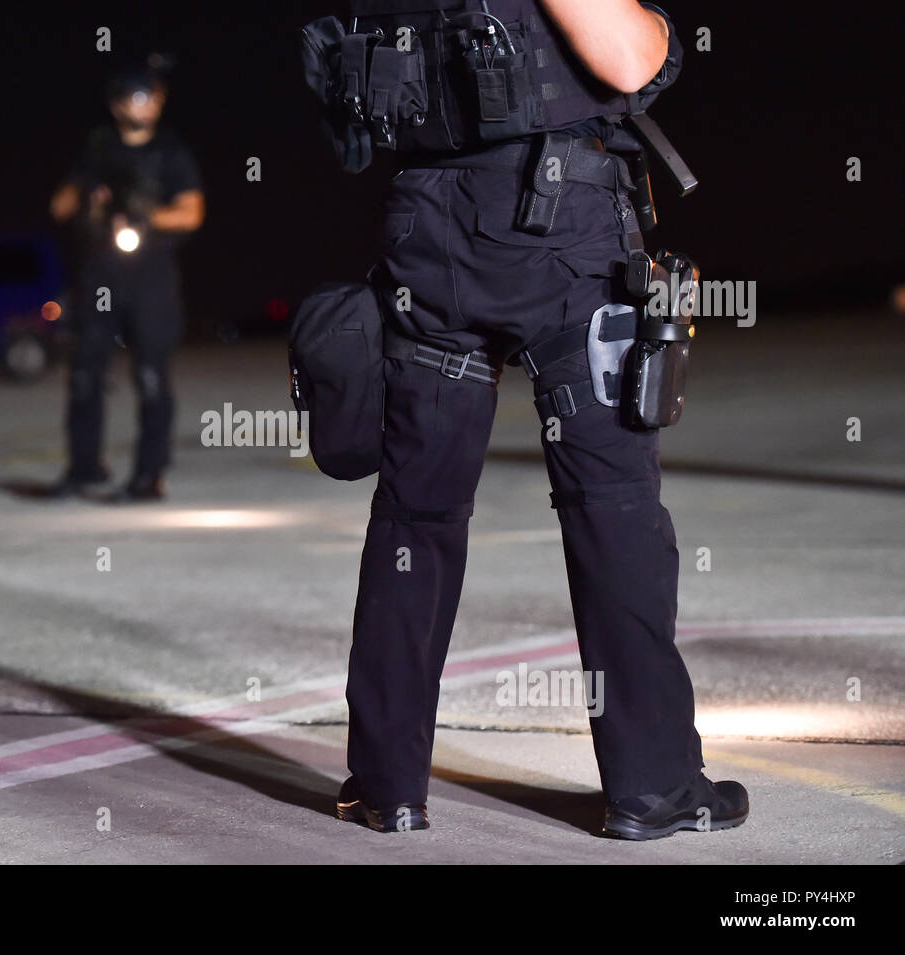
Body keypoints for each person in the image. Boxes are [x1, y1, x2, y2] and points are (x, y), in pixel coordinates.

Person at [318, 0, 749, 839]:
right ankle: (652, 785)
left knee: (417, 512)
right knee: (612, 504)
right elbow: (626, 58)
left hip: (426, 227)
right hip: (554, 226)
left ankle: (387, 783)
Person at [48, 61, 205, 501]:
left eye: (154, 96)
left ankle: (148, 476)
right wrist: (89, 197)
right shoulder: (98, 146)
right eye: (139, 96)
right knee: (84, 375)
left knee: (152, 376)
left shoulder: (170, 151)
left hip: (150, 276)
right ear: (117, 102)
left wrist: (147, 213)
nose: (149, 104)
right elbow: (59, 206)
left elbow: (192, 212)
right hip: (99, 273)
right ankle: (83, 468)